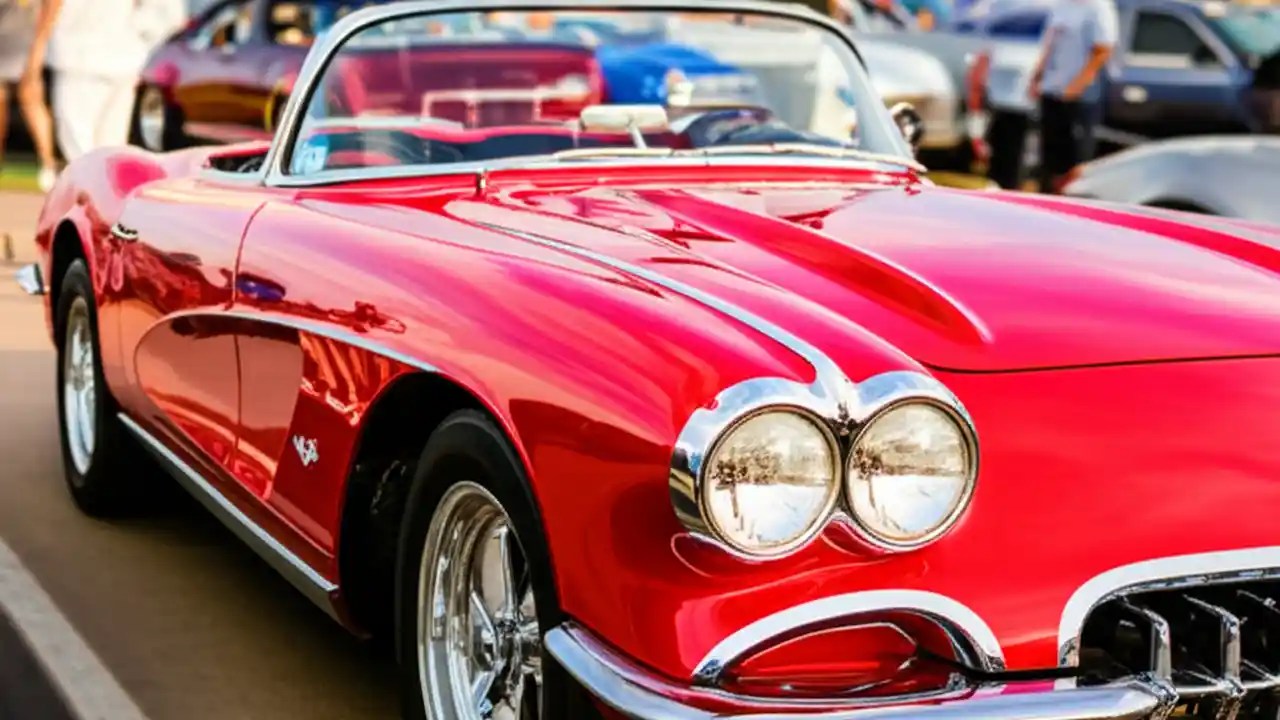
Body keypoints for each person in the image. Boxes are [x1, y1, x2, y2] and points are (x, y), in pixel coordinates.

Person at [22, 0, 185, 164]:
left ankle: (91, 186)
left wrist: (38, 47)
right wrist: (139, 41)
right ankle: (104, 187)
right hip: (121, 58)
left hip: (79, 59)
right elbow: (171, 14)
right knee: (109, 146)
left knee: (79, 143)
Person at [1027, 0, 1118, 193]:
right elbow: (1049, 44)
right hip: (1052, 91)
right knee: (1049, 160)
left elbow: (1103, 50)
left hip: (1079, 98)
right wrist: (1037, 76)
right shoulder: (1061, 6)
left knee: (1075, 163)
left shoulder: (1098, 8)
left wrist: (1076, 86)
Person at [0, 0, 56, 191]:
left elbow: (52, 6)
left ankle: (48, 164)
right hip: (8, 35)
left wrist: (40, 41)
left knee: (31, 98)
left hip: (25, 39)